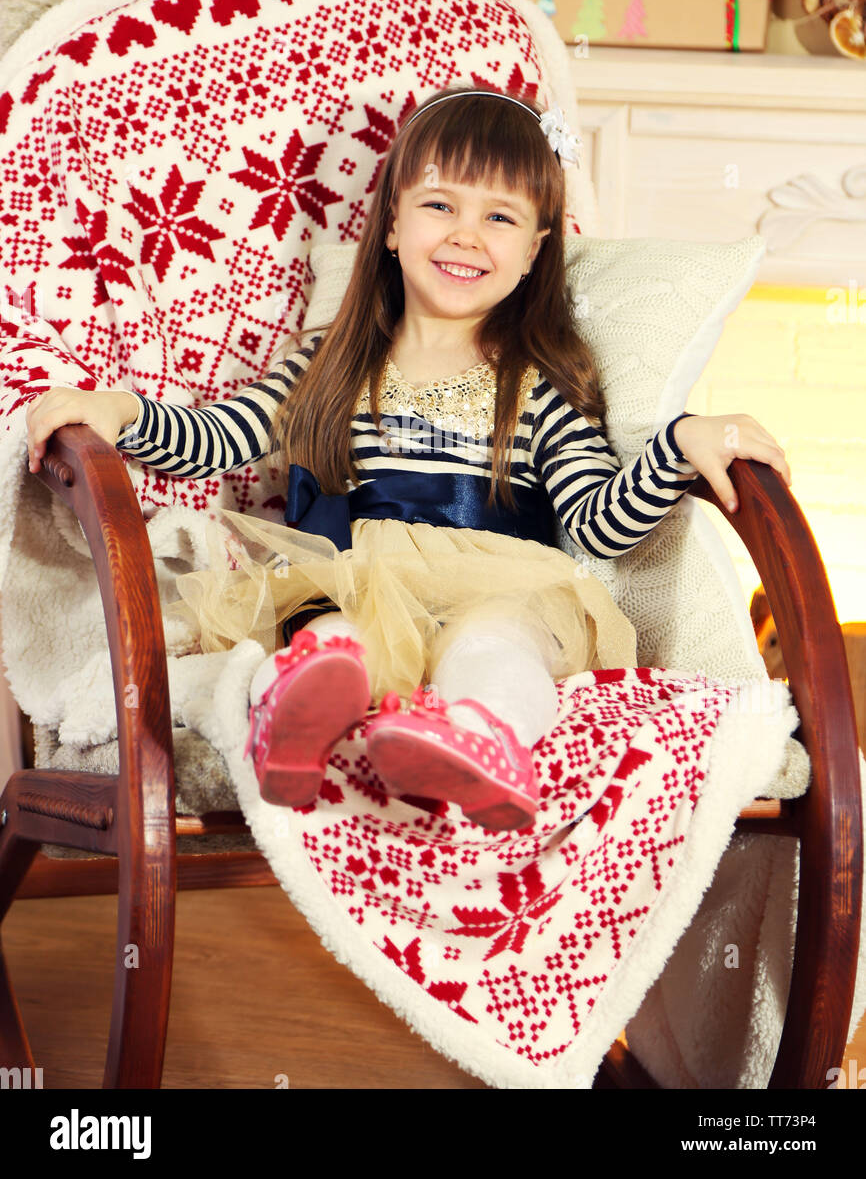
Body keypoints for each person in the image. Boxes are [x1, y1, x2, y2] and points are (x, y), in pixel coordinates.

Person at [24, 83, 791, 833]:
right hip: (353, 579)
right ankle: (295, 731)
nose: (465, 234)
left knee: (496, 640)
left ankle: (479, 741)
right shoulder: (336, 364)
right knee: (331, 637)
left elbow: (596, 528)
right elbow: (221, 435)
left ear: (535, 250)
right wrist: (121, 410)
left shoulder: (536, 387)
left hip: (501, 587)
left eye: (499, 217)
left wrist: (678, 445)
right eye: (439, 205)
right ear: (392, 224)